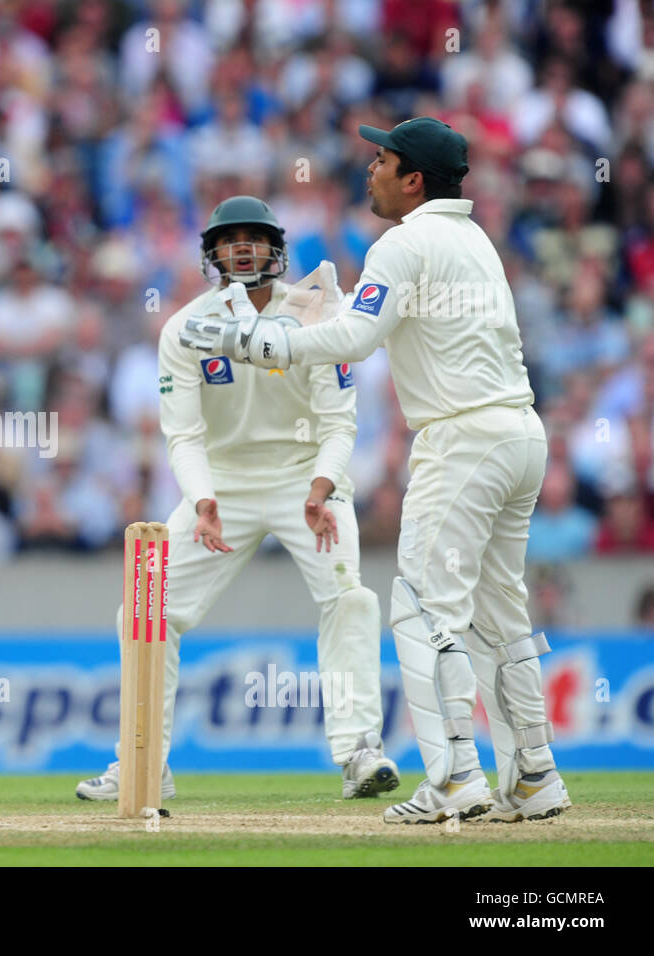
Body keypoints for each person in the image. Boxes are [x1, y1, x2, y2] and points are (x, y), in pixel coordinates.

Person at [193, 119, 570, 824]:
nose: (370, 169)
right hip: (519, 434)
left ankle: (456, 779)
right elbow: (372, 324)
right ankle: (533, 775)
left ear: (414, 179)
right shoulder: (473, 238)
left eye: (382, 160)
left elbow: (358, 340)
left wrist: (256, 341)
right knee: (499, 616)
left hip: (462, 441)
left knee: (424, 611)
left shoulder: (403, 242)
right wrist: (318, 314)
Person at [76, 196, 398, 804]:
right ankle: (143, 761)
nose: (243, 248)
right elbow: (184, 434)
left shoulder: (315, 314)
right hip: (222, 485)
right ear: (212, 254)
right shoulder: (185, 328)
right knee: (144, 611)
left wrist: (323, 486)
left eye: (254, 236)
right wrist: (202, 500)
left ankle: (360, 751)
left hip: (305, 479)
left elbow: (339, 423)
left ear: (276, 248)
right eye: (230, 239)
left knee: (349, 597)